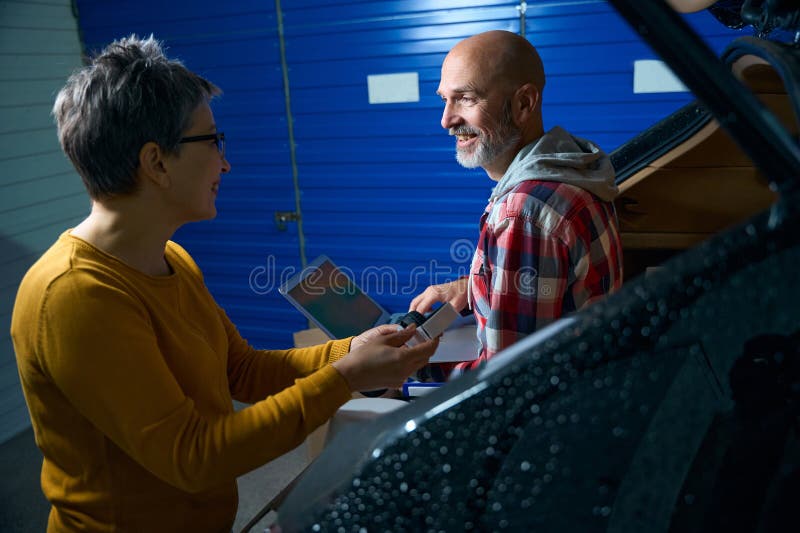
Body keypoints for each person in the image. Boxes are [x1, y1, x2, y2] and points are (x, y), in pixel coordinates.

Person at [10, 35, 436, 532]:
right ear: (157, 162)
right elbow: (192, 457)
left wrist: (351, 351)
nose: (225, 163)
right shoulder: (75, 296)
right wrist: (344, 379)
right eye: (212, 141)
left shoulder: (171, 258)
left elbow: (242, 370)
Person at [410, 30, 623, 371]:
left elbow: (507, 381)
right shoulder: (572, 170)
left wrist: (407, 372)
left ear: (524, 103)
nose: (446, 120)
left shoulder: (525, 213)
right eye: (444, 99)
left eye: (466, 98)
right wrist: (475, 287)